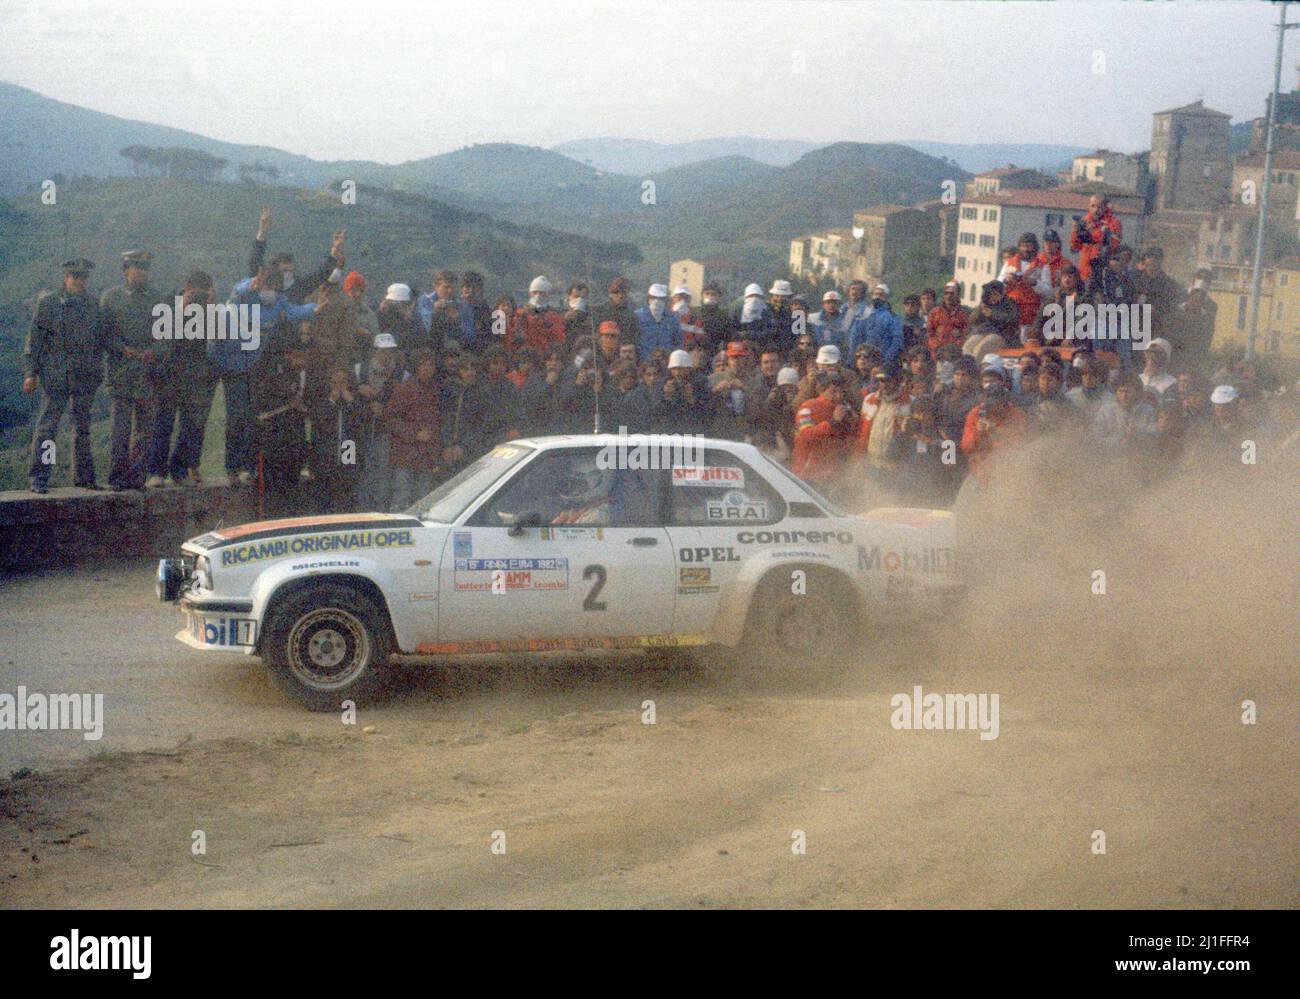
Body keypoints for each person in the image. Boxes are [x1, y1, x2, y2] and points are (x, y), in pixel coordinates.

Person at [23, 258, 108, 493]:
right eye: (75, 276)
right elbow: (35, 340)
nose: (79, 281)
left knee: (82, 427)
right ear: (66, 277)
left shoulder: (93, 305)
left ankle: (84, 478)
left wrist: (97, 370)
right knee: (49, 428)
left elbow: (100, 340)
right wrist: (31, 373)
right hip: (56, 376)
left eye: (83, 277)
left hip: (84, 377)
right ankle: (40, 477)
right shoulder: (49, 303)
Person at [100, 249, 164, 491]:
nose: (142, 273)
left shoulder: (157, 299)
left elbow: (165, 335)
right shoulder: (110, 298)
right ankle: (117, 478)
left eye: (146, 268)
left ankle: (137, 479)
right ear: (126, 270)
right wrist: (121, 348)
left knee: (145, 431)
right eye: (137, 268)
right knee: (120, 430)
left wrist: (155, 351)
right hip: (121, 375)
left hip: (148, 375)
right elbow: (104, 335)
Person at [154, 270, 218, 487]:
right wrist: (181, 310)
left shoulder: (209, 308)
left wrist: (210, 309)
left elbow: (215, 339)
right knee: (164, 423)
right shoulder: (169, 302)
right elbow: (162, 336)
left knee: (190, 425)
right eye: (196, 294)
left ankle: (179, 471)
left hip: (195, 375)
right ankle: (157, 472)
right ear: (188, 289)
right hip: (170, 374)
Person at [386, 350, 443, 510]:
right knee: (401, 499)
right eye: (424, 364)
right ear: (416, 367)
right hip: (405, 454)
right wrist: (414, 434)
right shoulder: (404, 389)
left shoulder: (436, 390)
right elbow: (391, 419)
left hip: (426, 455)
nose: (428, 368)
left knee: (423, 501)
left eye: (431, 365)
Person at [791, 370, 858, 488]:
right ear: (822, 390)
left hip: (832, 475)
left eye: (841, 392)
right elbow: (806, 435)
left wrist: (853, 422)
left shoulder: (844, 410)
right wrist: (833, 422)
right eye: (833, 392)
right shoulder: (808, 407)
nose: (838, 396)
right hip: (807, 474)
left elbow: (850, 442)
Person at [960, 382, 1028, 479]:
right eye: (989, 404)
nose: (991, 407)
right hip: (980, 469)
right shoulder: (977, 413)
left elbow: (1019, 443)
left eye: (995, 404)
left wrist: (995, 430)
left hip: (1008, 468)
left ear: (1004, 403)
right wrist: (978, 434)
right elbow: (966, 447)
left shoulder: (1016, 415)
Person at [652, 349, 713, 434]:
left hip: (693, 429)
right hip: (669, 430)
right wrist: (666, 397)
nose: (677, 373)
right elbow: (655, 413)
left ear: (688, 368)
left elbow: (708, 412)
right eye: (674, 369)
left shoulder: (700, 382)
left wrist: (691, 399)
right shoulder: (662, 383)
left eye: (681, 369)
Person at [1093, 370, 1156, 449]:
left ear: (1136, 392)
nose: (1124, 396)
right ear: (1116, 392)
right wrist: (1119, 442)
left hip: (1139, 455)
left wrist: (1138, 434)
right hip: (1110, 456)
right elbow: (1096, 437)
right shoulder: (1106, 411)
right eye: (1121, 391)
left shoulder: (1148, 411)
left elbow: (1153, 436)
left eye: (1128, 391)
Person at [848, 283, 904, 371]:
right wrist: (854, 359)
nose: (877, 297)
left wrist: (886, 360)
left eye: (881, 294)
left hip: (883, 363)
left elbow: (897, 341)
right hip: (863, 361)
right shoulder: (862, 314)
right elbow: (854, 337)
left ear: (886, 297)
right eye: (875, 294)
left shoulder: (893, 317)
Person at [508, 276, 566, 356]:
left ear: (547, 294)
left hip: (547, 355)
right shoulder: (520, 312)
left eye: (542, 293)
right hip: (526, 355)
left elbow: (559, 337)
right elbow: (513, 334)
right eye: (534, 292)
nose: (537, 296)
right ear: (530, 293)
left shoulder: (555, 314)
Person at [1070, 194, 1122, 282]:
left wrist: (1092, 233)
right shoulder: (1085, 221)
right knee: (1074, 294)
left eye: (1099, 207)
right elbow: (1075, 248)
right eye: (1093, 206)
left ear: (1105, 207)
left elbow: (1113, 246)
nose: (1096, 210)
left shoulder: (1114, 222)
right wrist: (1075, 232)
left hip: (1103, 272)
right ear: (1089, 206)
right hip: (1084, 271)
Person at [635, 283, 682, 356]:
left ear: (665, 300)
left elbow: (678, 342)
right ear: (648, 299)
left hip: (666, 360)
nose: (656, 301)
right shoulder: (638, 316)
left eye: (660, 298)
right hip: (644, 361)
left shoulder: (673, 318)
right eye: (653, 297)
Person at [593, 276, 639, 343]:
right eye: (616, 292)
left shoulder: (631, 315)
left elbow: (634, 336)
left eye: (623, 292)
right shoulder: (599, 311)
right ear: (610, 294)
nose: (620, 295)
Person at [927, 281, 969, 352]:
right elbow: (930, 334)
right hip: (937, 352)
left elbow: (965, 334)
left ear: (958, 295)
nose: (949, 296)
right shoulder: (934, 313)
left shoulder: (964, 314)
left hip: (955, 353)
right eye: (946, 293)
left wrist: (955, 347)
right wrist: (937, 347)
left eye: (952, 293)